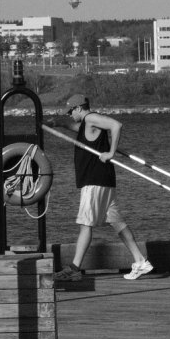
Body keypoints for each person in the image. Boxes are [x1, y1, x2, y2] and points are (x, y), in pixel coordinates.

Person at [49, 94, 153, 282]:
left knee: (85, 225)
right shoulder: (86, 124)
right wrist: (58, 123)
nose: (70, 114)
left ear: (79, 108)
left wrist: (111, 152)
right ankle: (140, 261)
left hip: (94, 181)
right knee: (118, 223)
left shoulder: (90, 118)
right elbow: (75, 127)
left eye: (71, 111)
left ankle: (74, 268)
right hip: (104, 180)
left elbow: (116, 125)